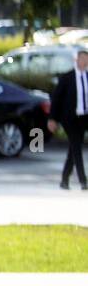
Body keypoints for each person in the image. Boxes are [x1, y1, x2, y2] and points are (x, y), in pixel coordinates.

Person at [49, 49, 88, 190]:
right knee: (76, 147)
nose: (85, 61)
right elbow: (56, 99)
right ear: (76, 60)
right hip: (69, 119)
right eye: (82, 58)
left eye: (87, 59)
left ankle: (64, 179)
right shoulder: (67, 78)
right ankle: (83, 180)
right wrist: (52, 119)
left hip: (84, 117)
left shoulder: (87, 77)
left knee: (74, 148)